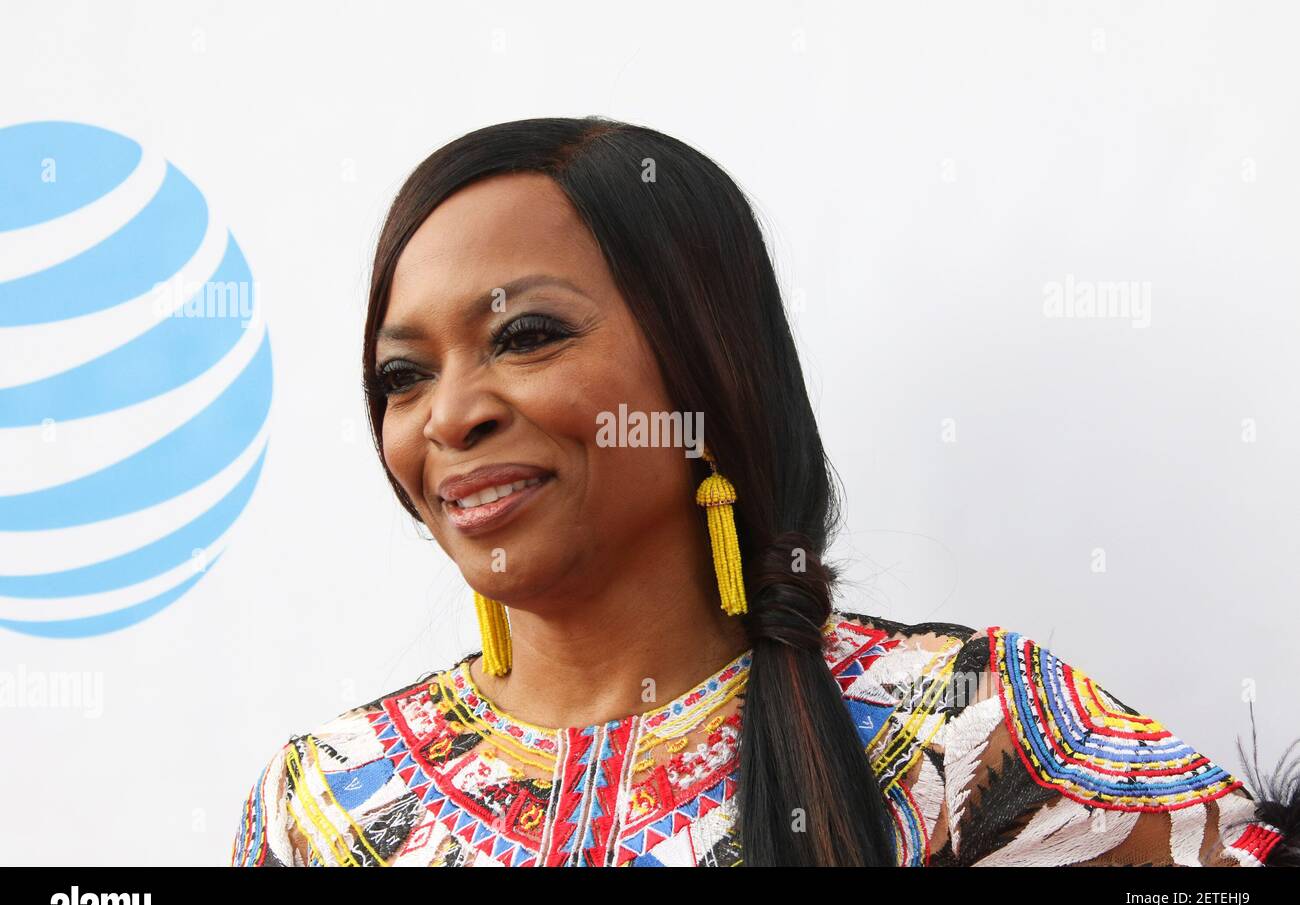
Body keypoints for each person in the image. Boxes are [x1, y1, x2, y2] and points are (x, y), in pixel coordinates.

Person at [231, 117, 1298, 867]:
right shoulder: (322, 802)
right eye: (401, 375)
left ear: (704, 362)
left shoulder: (973, 728)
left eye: (527, 335)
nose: (449, 414)